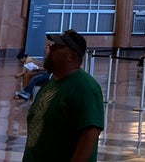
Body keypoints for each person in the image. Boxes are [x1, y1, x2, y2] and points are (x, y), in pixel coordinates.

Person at [22, 30, 104, 162]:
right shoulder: (51, 83)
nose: (50, 49)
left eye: (57, 46)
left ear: (71, 56)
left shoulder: (84, 87)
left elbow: (90, 134)